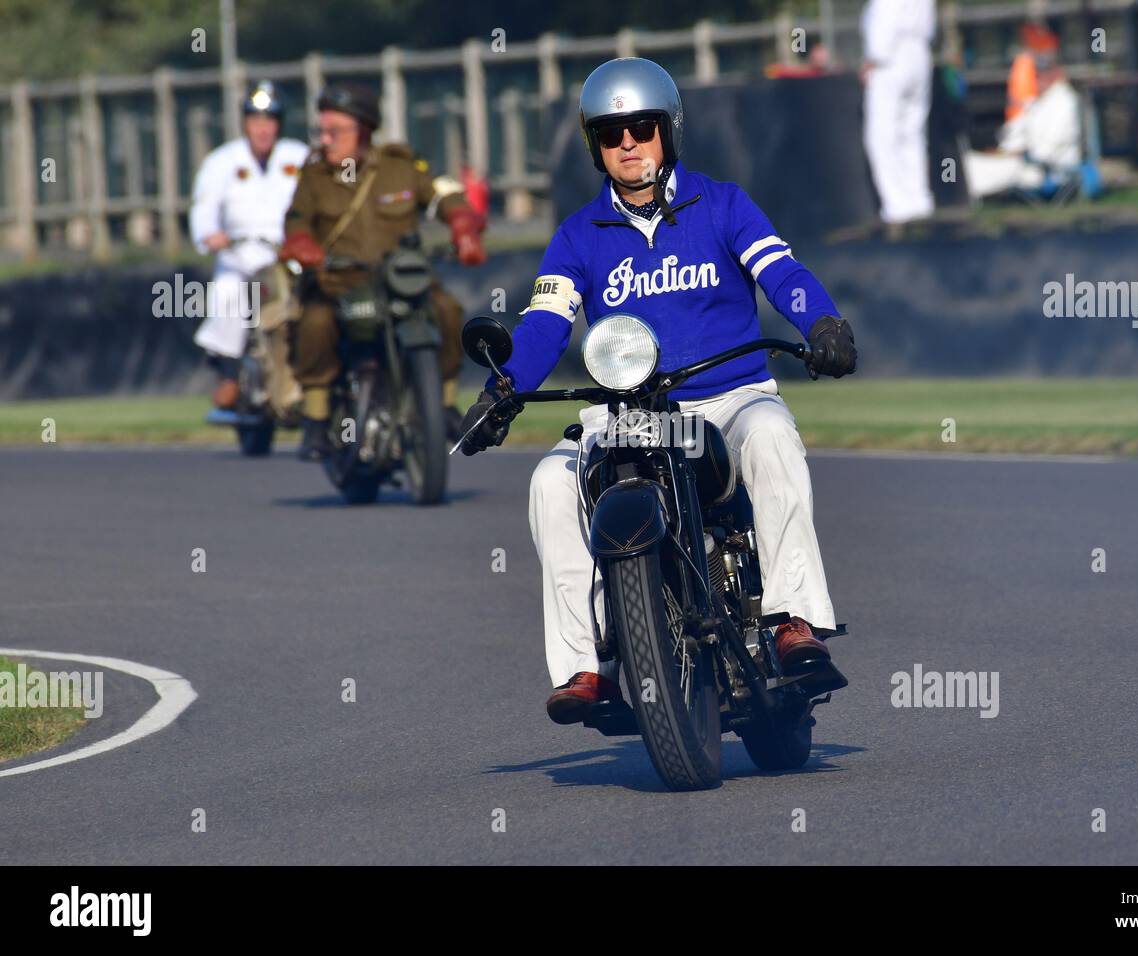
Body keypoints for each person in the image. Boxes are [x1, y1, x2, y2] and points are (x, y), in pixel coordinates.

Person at [459, 57, 858, 725]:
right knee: (550, 481)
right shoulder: (577, 236)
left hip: (729, 399)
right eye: (612, 134)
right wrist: (504, 388)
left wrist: (821, 322)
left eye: (641, 128)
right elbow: (544, 325)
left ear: (667, 131)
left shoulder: (723, 203)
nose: (628, 145)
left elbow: (782, 271)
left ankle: (795, 621)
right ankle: (585, 666)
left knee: (772, 434)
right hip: (628, 414)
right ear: (595, 145)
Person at [280, 83, 487, 460]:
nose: (325, 140)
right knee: (314, 322)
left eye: (335, 131)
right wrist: (302, 245)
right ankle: (315, 416)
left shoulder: (400, 166)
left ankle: (443, 401)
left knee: (446, 308)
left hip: (401, 280)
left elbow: (444, 193)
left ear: (363, 128)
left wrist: (462, 224)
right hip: (337, 283)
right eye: (321, 131)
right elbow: (295, 224)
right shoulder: (313, 176)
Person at [189, 81, 309, 409]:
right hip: (241, 257)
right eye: (256, 121)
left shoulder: (298, 156)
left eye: (269, 121)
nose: (263, 129)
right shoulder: (221, 161)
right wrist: (210, 235)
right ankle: (230, 374)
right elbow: (203, 207)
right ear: (245, 123)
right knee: (229, 295)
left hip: (289, 255)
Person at [963, 29, 1084, 200]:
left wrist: (1019, 154)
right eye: (1037, 74)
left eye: (1043, 74)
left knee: (976, 168)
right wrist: (1003, 150)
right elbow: (1013, 132)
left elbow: (1051, 148)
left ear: (1054, 74)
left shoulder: (1065, 100)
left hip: (1048, 170)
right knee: (968, 160)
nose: (1038, 79)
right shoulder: (1036, 102)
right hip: (1024, 161)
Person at [860, 0, 936, 229]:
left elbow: (886, 15)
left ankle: (898, 207)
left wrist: (875, 58)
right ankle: (919, 201)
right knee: (912, 133)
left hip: (892, 56)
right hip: (919, 51)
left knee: (882, 136)